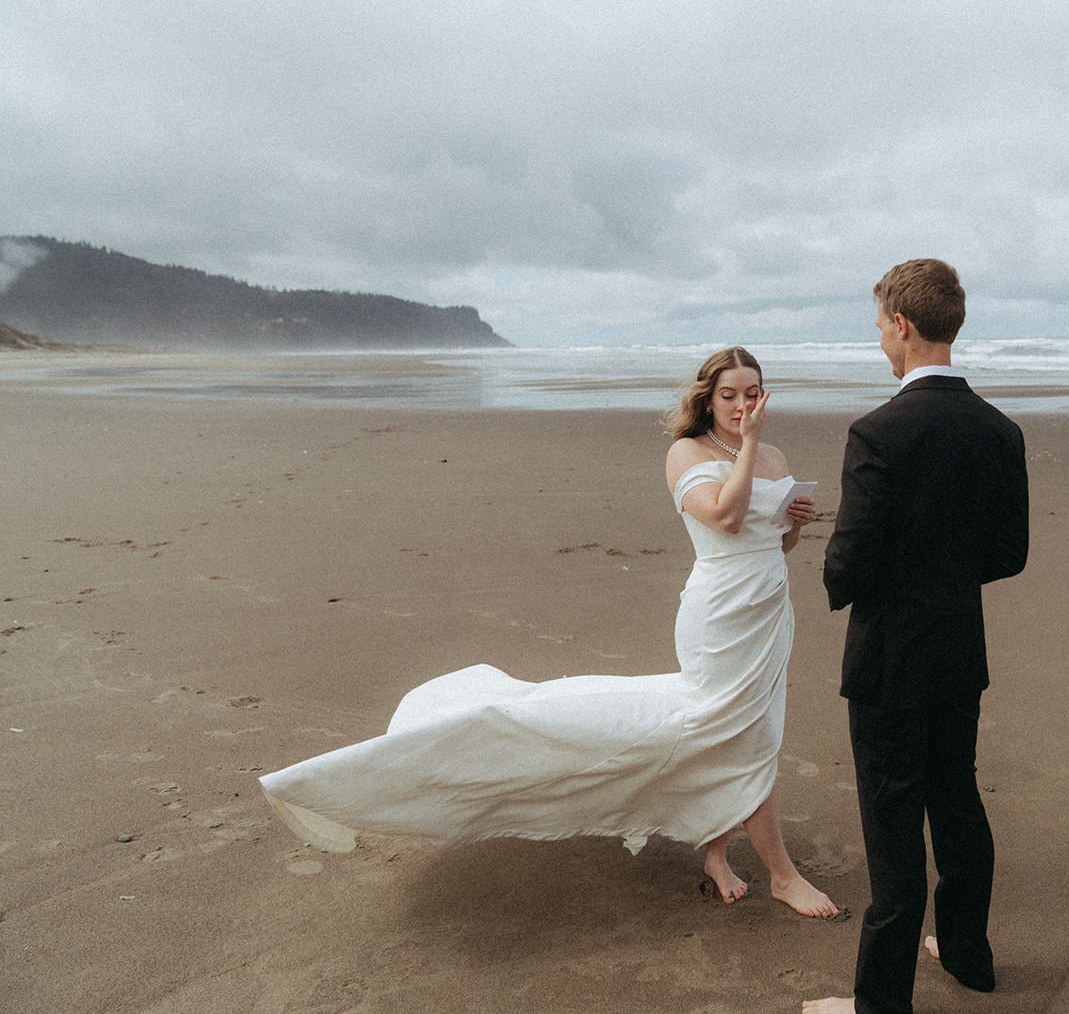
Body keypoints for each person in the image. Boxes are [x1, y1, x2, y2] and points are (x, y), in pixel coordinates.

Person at [258, 346, 838, 918]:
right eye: (729, 395)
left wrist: (794, 525)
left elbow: (773, 542)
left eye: (752, 393)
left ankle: (717, 853)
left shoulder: (776, 458)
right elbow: (725, 518)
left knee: (741, 729)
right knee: (742, 734)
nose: (742, 405)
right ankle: (783, 876)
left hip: (769, 608)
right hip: (721, 615)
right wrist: (751, 444)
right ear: (707, 400)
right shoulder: (686, 454)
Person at [805, 260, 1029, 1014]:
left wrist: (847, 570)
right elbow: (1009, 553)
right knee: (956, 798)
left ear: (902, 323)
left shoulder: (878, 432)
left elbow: (848, 565)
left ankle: (879, 1005)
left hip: (890, 659)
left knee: (893, 820)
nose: (878, 340)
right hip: (959, 648)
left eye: (878, 326)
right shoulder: (999, 429)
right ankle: (968, 955)